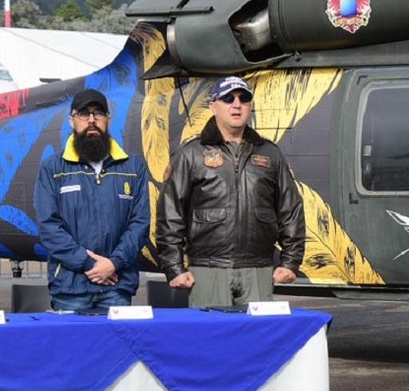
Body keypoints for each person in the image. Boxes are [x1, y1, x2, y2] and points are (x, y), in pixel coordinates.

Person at [156, 75, 305, 307]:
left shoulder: (270, 154)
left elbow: (291, 210)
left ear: (250, 106)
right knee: (210, 338)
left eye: (244, 98)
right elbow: (170, 214)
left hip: (258, 269)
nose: (237, 104)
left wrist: (290, 262)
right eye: (228, 98)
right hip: (207, 268)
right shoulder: (191, 154)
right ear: (214, 106)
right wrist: (173, 267)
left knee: (258, 340)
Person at [35, 88, 151, 312]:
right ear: (71, 120)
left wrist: (113, 264)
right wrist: (90, 264)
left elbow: (140, 223)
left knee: (116, 348)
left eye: (98, 113)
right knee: (74, 348)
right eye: (83, 114)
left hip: (117, 286)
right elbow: (49, 227)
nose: (91, 120)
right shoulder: (53, 169)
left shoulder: (132, 167)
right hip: (71, 289)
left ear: (108, 119)